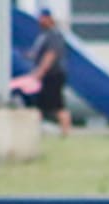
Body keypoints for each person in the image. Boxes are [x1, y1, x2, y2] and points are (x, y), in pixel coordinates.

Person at [27, 8, 72, 138]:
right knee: (41, 105)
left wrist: (40, 71)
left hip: (53, 74)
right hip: (48, 75)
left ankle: (65, 132)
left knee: (58, 105)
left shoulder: (54, 35)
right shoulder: (44, 35)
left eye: (42, 18)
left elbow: (50, 54)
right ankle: (36, 133)